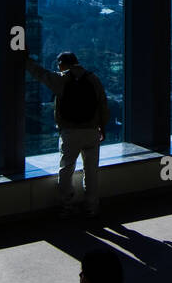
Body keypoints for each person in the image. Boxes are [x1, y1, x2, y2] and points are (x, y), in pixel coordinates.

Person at [23, 50, 109, 219]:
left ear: (62, 64)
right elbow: (103, 105)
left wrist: (25, 61)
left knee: (66, 168)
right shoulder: (93, 79)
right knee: (91, 171)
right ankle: (91, 206)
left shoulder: (61, 79)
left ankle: (67, 205)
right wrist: (102, 128)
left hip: (70, 132)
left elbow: (41, 74)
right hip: (92, 131)